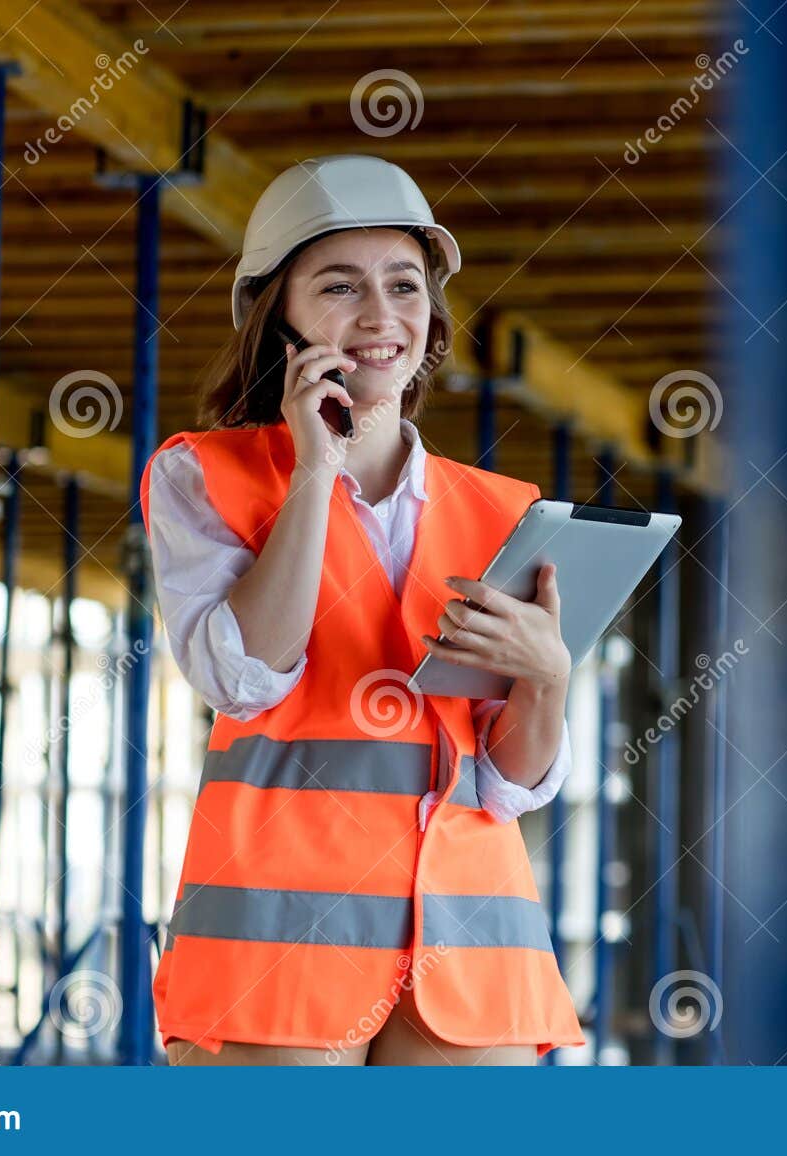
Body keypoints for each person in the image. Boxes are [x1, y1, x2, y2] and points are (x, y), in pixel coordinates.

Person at [140, 155, 585, 1065]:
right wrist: (315, 471)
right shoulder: (206, 477)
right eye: (339, 286)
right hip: (277, 944)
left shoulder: (507, 513)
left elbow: (507, 783)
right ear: (281, 312)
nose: (381, 317)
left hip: (470, 948)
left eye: (405, 285)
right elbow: (242, 677)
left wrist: (550, 679)